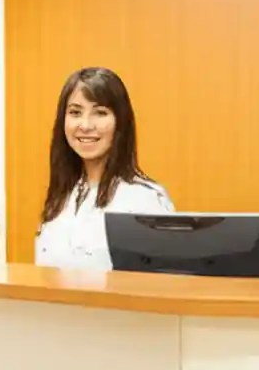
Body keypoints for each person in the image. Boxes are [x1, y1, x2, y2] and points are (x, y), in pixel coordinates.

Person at [35, 67, 174, 270]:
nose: (85, 125)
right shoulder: (61, 197)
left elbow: (160, 284)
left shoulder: (145, 199)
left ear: (120, 123)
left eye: (100, 113)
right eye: (75, 112)